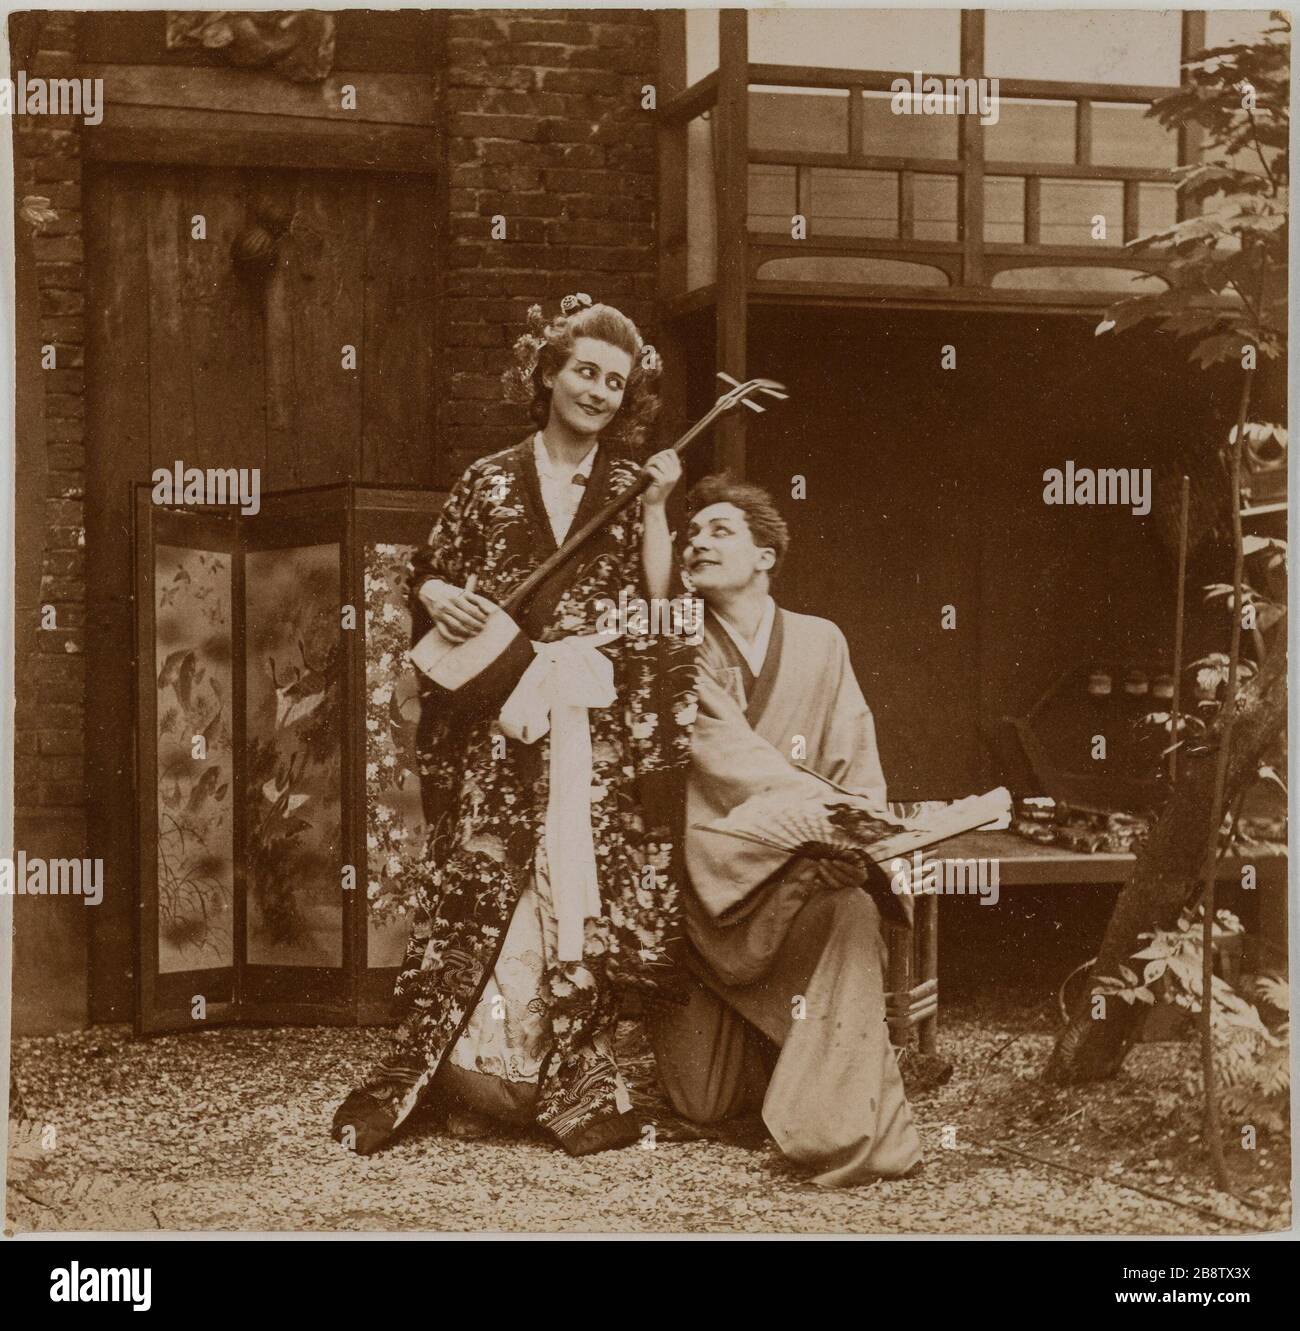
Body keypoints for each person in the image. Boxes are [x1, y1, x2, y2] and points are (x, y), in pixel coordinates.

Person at [333, 295, 697, 1157]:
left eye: (616, 380)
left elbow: (659, 600)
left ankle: (560, 1075)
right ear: (547, 374)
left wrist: (655, 508)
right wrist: (435, 595)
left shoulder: (628, 482)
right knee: (484, 875)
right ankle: (463, 1071)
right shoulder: (488, 478)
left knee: (565, 881)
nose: (600, 390)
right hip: (494, 714)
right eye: (585, 371)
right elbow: (430, 568)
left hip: (583, 721)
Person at [650, 474, 923, 1186]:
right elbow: (721, 758)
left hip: (812, 867)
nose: (697, 542)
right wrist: (816, 814)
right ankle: (793, 1052)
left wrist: (858, 826)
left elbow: (853, 751)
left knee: (854, 912)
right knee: (704, 1102)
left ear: (766, 554)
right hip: (723, 879)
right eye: (689, 533)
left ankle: (838, 1132)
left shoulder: (821, 641)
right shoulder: (685, 644)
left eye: (719, 530)